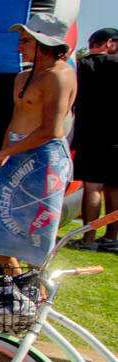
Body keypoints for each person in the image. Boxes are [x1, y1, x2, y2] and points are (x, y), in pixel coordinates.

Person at [0, 13, 77, 276]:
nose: (19, 46)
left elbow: (52, 130)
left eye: (26, 41)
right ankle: (18, 283)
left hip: (44, 158)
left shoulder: (60, 75)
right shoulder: (23, 76)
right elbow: (15, 122)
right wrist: (3, 157)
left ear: (44, 43)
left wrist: (5, 153)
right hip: (18, 151)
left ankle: (34, 295)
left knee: (36, 233)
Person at [72, 27, 118, 251]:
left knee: (92, 188)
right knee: (113, 188)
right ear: (109, 42)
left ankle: (88, 239)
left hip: (91, 134)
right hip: (116, 136)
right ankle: (111, 238)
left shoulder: (81, 66)